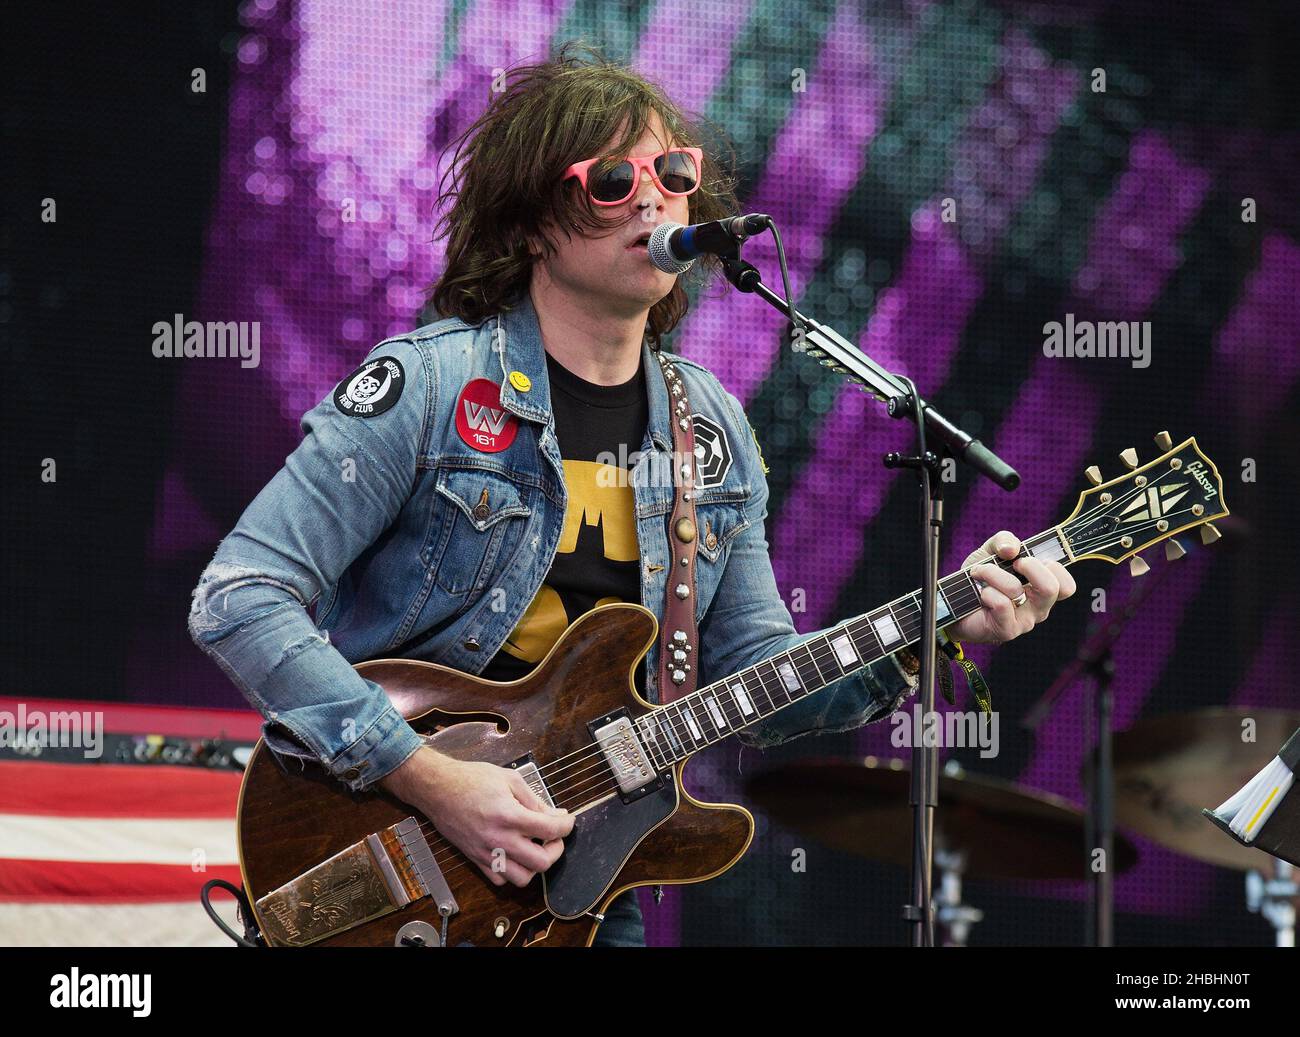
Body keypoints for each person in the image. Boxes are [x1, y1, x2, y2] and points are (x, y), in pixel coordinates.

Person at [188, 45, 1075, 947]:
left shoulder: (712, 430)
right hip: (390, 840)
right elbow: (239, 597)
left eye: (671, 172)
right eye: (611, 179)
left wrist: (937, 629)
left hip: (587, 888)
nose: (651, 197)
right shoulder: (431, 387)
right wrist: (429, 777)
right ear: (534, 225)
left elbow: (761, 674)